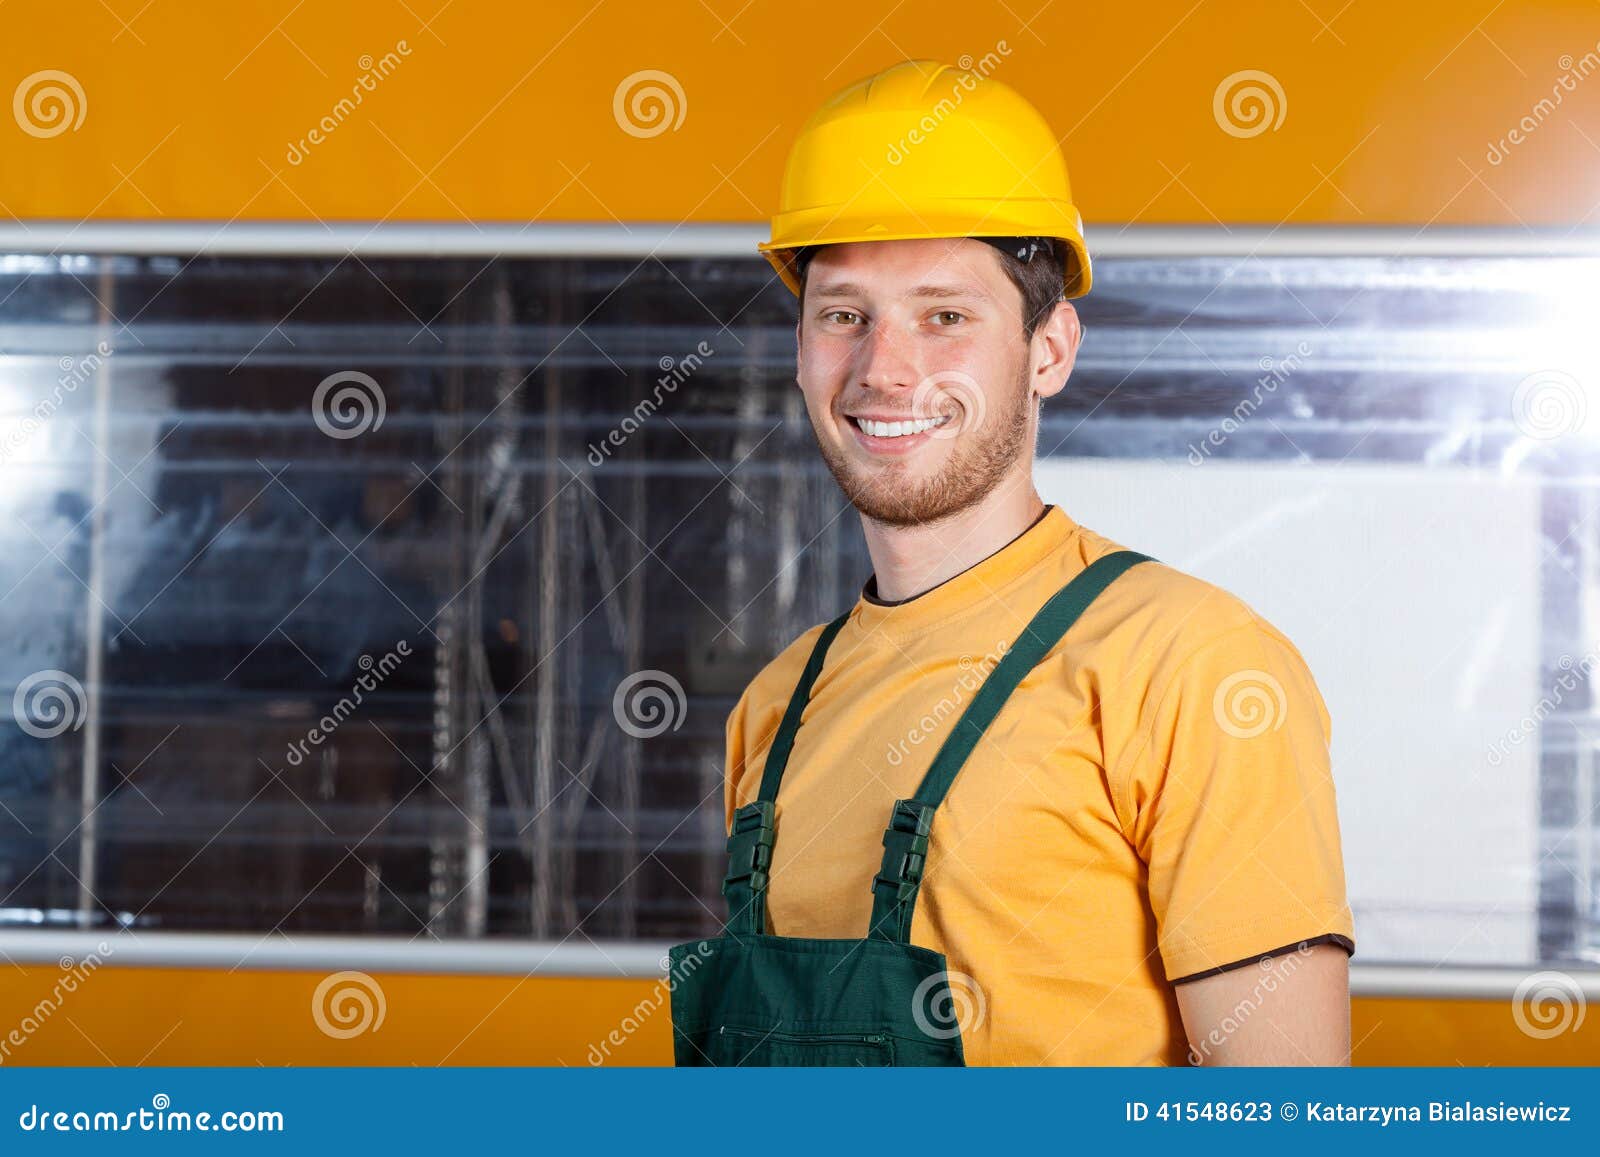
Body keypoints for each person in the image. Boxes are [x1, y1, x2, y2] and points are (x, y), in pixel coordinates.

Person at [668, 58, 1355, 1068]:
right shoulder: (774, 708)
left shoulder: (1189, 666)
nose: (883, 368)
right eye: (843, 313)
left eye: (945, 314)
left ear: (1049, 349)